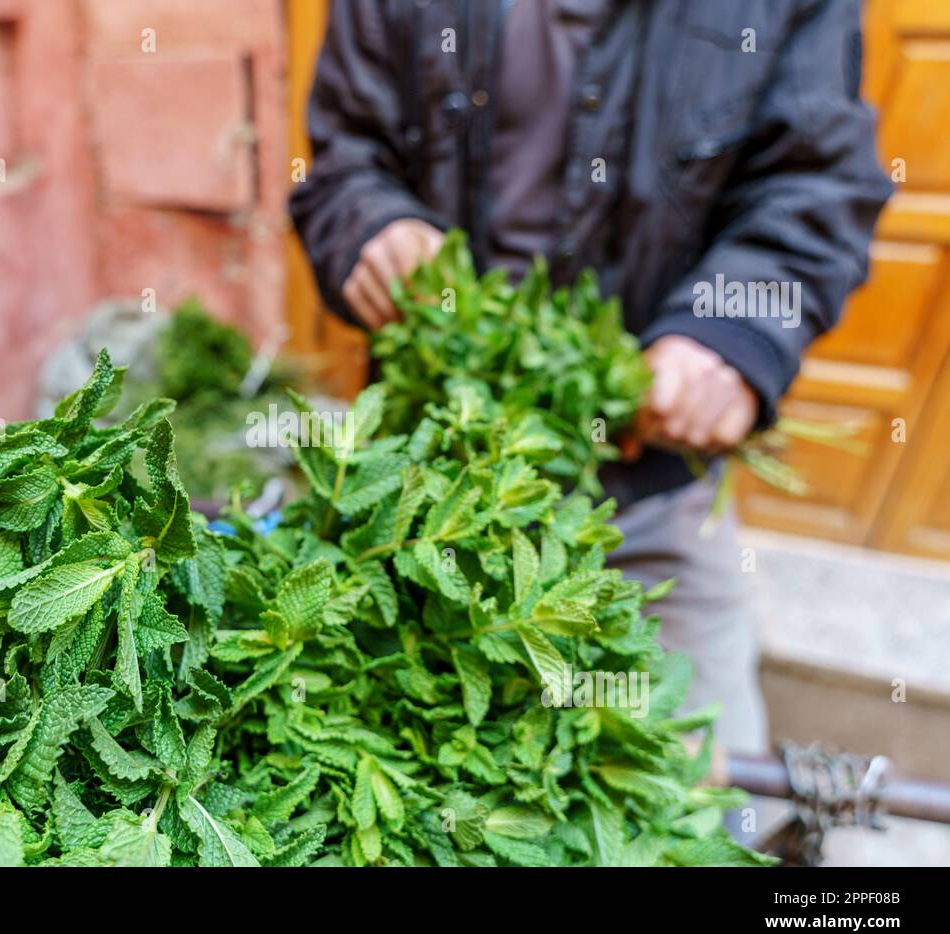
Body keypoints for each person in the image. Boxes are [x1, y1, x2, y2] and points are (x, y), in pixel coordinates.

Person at [291, 0, 891, 755]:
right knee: (397, 741)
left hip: (645, 489)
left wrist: (732, 336)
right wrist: (369, 225)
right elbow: (346, 159)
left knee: (704, 781)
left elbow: (815, 190)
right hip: (427, 471)